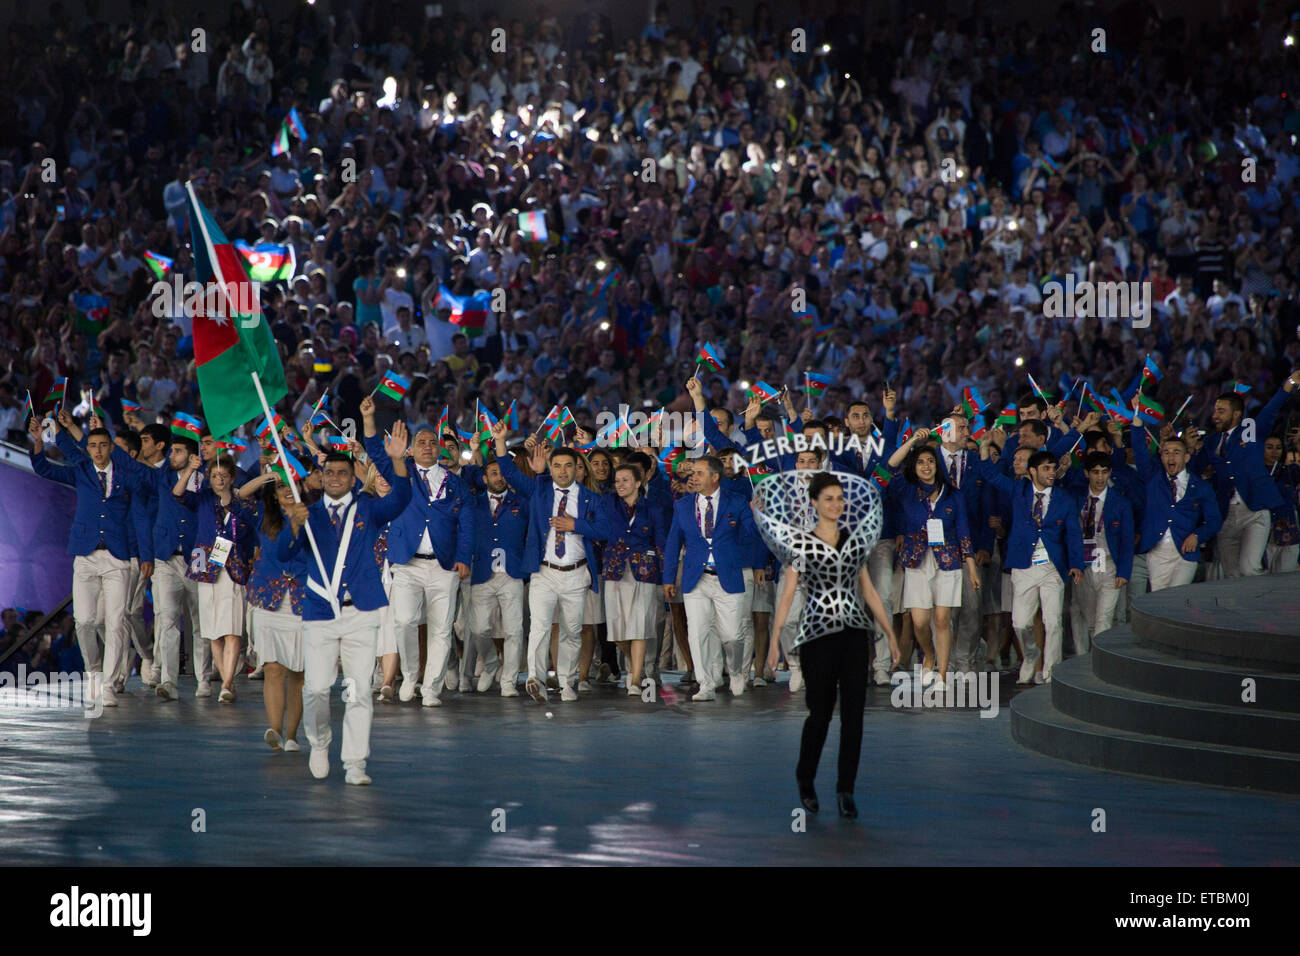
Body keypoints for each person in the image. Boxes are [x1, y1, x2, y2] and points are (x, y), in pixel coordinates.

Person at [278, 397, 412, 785]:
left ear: (352, 477)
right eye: (330, 472)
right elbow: (286, 554)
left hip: (361, 612)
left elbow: (401, 499)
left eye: (342, 472)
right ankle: (320, 743)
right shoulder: (308, 512)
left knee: (357, 692)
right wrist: (293, 525)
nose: (335, 477)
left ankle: (355, 763)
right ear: (322, 476)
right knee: (317, 690)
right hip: (319, 612)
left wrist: (398, 461)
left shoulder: (367, 508)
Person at [760, 471, 896, 819]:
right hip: (817, 639)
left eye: (839, 498)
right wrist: (775, 640)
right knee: (819, 714)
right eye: (828, 498)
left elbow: (867, 589)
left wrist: (891, 635)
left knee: (854, 717)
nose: (836, 504)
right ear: (814, 503)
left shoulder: (853, 541)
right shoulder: (802, 545)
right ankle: (806, 780)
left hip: (853, 636)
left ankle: (845, 790)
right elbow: (788, 594)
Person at [28, 413, 152, 707]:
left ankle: (107, 685)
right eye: (92, 445)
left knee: (116, 621)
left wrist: (145, 555)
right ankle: (94, 673)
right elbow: (44, 468)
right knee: (84, 621)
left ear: (111, 448)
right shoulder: (81, 470)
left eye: (102, 445)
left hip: (118, 556)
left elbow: (141, 517)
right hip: (84, 555)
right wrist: (37, 443)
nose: (96, 450)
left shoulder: (129, 478)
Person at [500, 439, 611, 703]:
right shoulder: (539, 490)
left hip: (576, 573)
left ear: (577, 469)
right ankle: (535, 680)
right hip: (544, 572)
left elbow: (607, 531)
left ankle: (568, 682)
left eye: (568, 466)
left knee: (572, 631)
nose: (562, 471)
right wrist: (500, 443)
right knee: (539, 627)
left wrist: (577, 524)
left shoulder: (591, 498)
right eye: (557, 465)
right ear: (550, 467)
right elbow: (510, 473)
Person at [978, 437, 1084, 684]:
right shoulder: (1019, 490)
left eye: (1054, 468)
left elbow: (1074, 533)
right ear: (1032, 471)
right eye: (1046, 468)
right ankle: (1030, 655)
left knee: (1053, 621)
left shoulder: (1065, 498)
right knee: (1020, 623)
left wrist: (1077, 564)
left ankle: (1050, 671)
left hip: (1052, 567)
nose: (1052, 473)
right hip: (1023, 564)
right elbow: (991, 476)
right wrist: (984, 449)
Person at [386, 424, 474, 706]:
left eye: (433, 442)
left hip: (444, 565)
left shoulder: (455, 481)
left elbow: (467, 522)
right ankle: (411, 675)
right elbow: (376, 462)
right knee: (404, 621)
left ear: (439, 449)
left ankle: (431, 688)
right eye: (421, 442)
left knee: (441, 628)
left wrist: (463, 557)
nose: (427, 446)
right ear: (411, 448)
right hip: (407, 562)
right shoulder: (402, 474)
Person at [887, 427, 978, 689]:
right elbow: (890, 467)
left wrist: (970, 568)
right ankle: (928, 654)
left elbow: (963, 533)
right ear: (914, 467)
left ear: (937, 465)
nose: (926, 466)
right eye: (920, 462)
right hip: (916, 561)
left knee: (942, 619)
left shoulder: (954, 495)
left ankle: (942, 674)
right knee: (920, 622)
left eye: (930, 461)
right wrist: (914, 441)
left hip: (948, 562)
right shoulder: (908, 491)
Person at [662, 455, 758, 700]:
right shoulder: (683, 505)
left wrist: (756, 516)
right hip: (696, 578)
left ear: (715, 476)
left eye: (699, 473)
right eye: (692, 473)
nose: (692, 477)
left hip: (728, 575)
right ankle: (705, 683)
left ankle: (736, 672)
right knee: (698, 631)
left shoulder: (737, 501)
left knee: (732, 635)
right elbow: (673, 541)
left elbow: (751, 535)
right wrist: (669, 577)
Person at [1193, 371, 1297, 577]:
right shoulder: (1211, 442)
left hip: (1254, 511)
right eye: (1215, 411)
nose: (1215, 416)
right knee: (1232, 575)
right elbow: (1194, 471)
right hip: (1226, 515)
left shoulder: (1250, 431)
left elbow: (1271, 409)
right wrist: (1189, 449)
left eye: (1221, 411)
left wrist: (1290, 383)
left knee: (1249, 569)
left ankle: (1264, 608)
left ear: (1237, 414)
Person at [175, 452, 256, 703]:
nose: (218, 479)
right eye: (213, 476)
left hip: (233, 565)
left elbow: (251, 533)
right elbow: (177, 494)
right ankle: (224, 679)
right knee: (213, 632)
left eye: (223, 475)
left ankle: (228, 682)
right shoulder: (202, 499)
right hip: (204, 562)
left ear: (232, 478)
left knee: (232, 629)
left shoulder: (242, 503)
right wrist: (190, 469)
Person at [243, 475, 307, 750]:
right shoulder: (263, 516)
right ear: (273, 494)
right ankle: (275, 730)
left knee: (298, 672)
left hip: (303, 601)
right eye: (282, 487)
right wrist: (268, 476)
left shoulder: (313, 516)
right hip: (269, 599)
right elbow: (240, 496)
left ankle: (292, 735)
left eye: (293, 485)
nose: (288, 491)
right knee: (272, 667)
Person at [472, 422, 532, 695]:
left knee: (514, 630)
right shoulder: (473, 504)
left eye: (501, 473)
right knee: (478, 629)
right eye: (492, 473)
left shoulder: (523, 502)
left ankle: (509, 680)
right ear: (484, 478)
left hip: (513, 572)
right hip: (481, 571)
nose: (498, 477)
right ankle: (492, 662)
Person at [602, 461, 668, 696]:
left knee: (639, 626)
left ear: (638, 483)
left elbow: (661, 543)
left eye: (625, 480)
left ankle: (636, 678)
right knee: (618, 630)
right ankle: (633, 663)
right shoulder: (608, 504)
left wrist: (665, 576)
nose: (620, 484)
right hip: (615, 569)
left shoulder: (653, 509)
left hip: (645, 570)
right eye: (617, 480)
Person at [1060, 450, 1135, 651]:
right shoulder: (1076, 498)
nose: (1100, 477)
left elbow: (1127, 541)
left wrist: (1124, 572)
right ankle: (1093, 662)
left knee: (1104, 620)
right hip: (1083, 566)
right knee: (1092, 621)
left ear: (1109, 472)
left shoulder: (1121, 502)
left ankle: (1101, 666)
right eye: (1095, 472)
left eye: (1104, 472)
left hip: (1109, 565)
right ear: (1087, 473)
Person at [1132, 431, 1222, 591]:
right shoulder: (1153, 479)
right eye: (1166, 452)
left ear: (1186, 457)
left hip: (1185, 553)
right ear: (1161, 457)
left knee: (1176, 596)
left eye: (1176, 452)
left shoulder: (1201, 487)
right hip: (1157, 552)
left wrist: (1197, 536)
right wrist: (1137, 425)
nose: (1171, 457)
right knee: (1159, 601)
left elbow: (1215, 521)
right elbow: (1140, 453)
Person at [1262, 435, 1299, 574]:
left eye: (1278, 448)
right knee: (1263, 571)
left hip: (1287, 526)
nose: (1274, 452)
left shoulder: (1289, 470)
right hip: (1264, 525)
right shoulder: (1255, 472)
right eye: (1269, 447)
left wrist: (1298, 446)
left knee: (1287, 571)